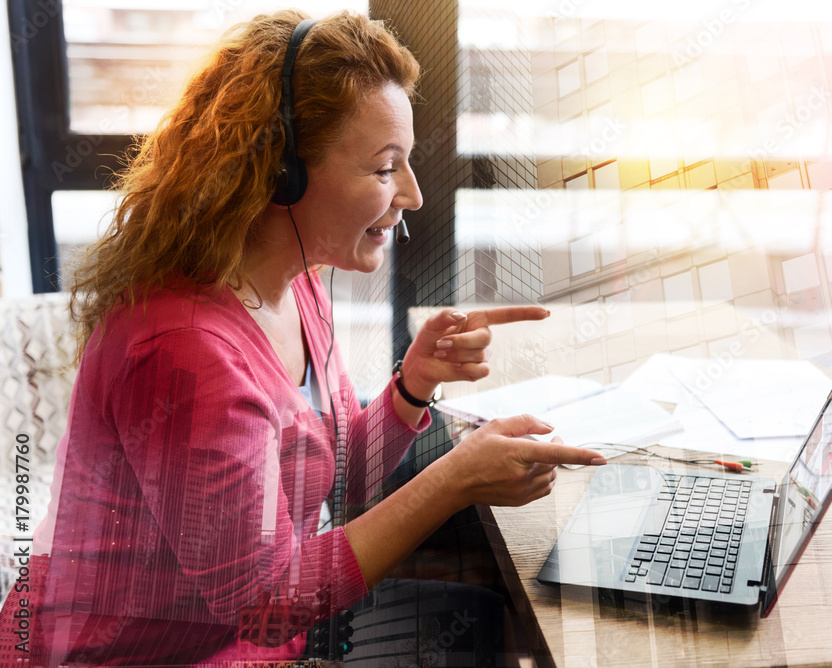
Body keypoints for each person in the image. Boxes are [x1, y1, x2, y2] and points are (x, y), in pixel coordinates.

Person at [0, 9, 605, 665]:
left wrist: (413, 382)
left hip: (243, 638)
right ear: (282, 170)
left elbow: (339, 476)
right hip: (135, 657)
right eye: (385, 167)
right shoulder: (182, 353)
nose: (414, 193)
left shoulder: (296, 282)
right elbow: (265, 604)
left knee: (482, 621)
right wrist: (453, 480)